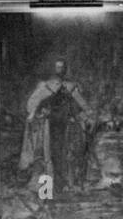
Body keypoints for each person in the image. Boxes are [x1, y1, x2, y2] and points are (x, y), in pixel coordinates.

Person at [19, 59, 93, 193]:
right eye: (57, 67)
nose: (60, 70)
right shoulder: (45, 85)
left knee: (65, 155)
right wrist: (36, 112)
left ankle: (66, 187)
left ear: (65, 69)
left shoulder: (71, 86)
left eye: (62, 67)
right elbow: (33, 103)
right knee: (47, 155)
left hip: (64, 125)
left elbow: (81, 104)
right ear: (54, 69)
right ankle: (46, 189)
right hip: (49, 125)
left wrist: (87, 115)